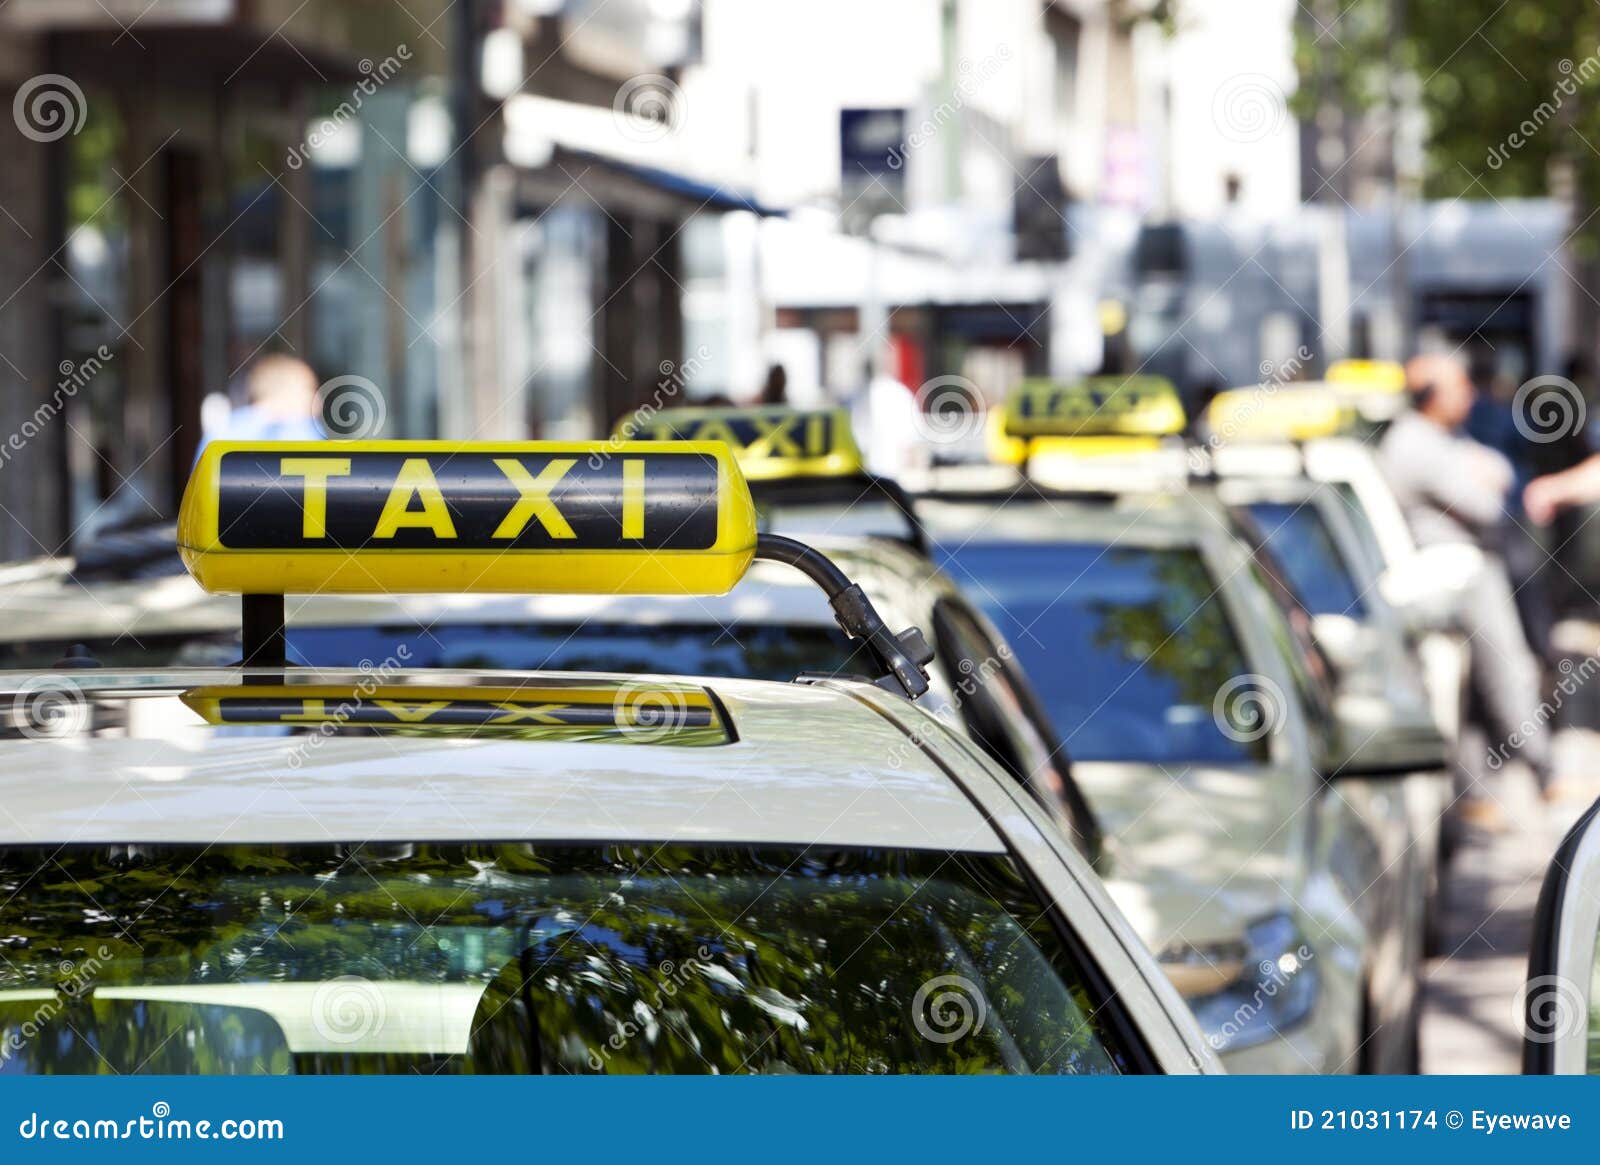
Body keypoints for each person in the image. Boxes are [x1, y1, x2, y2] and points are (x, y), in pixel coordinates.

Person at [1379, 353, 1556, 807]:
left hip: (1472, 565)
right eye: (1459, 388)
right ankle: (1542, 767)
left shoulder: (1442, 436)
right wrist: (1490, 476)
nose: (1471, 396)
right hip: (1457, 573)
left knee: (1479, 691)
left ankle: (1479, 794)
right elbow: (1488, 503)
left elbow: (1500, 473)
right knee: (1507, 670)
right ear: (1431, 398)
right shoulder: (1415, 444)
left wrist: (1491, 473)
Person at [199, 354, 325, 449]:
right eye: (309, 390)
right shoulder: (302, 429)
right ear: (282, 393)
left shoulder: (220, 432)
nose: (318, 401)